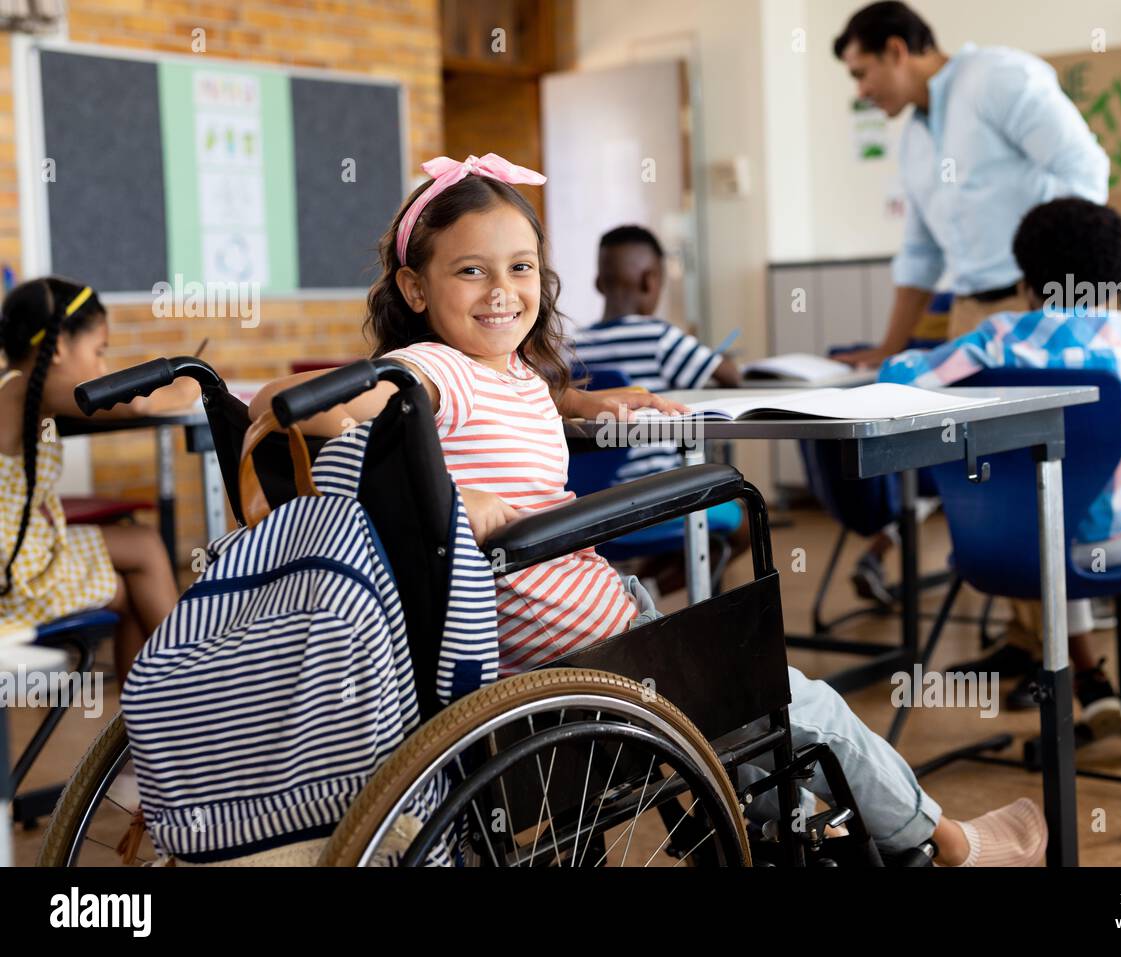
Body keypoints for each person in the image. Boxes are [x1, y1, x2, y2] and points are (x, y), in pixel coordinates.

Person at [252, 153, 1050, 865]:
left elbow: (496, 401)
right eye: (472, 273)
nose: (503, 291)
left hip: (569, 637)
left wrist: (580, 401)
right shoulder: (428, 368)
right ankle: (946, 842)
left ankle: (818, 829)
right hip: (587, 656)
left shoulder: (498, 374)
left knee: (738, 712)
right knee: (801, 700)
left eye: (521, 267)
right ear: (415, 288)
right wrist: (462, 497)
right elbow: (329, 405)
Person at [879, 198, 1121, 756]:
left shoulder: (997, 335)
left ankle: (1093, 685)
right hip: (1114, 544)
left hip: (1006, 547)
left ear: (1026, 278)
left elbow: (898, 375)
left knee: (1053, 516)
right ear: (1118, 280)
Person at [830, 1, 1108, 367]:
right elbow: (921, 256)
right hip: (967, 317)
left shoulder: (997, 77)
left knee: (1054, 421)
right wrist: (888, 350)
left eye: (861, 73)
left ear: (896, 50)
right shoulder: (914, 140)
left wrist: (1058, 296)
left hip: (1039, 302)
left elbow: (1084, 173)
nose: (861, 91)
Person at [0, 278, 198, 679]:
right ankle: (188, 682)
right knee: (140, 561)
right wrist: (193, 380)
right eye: (98, 352)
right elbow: (135, 404)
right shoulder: (22, 390)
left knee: (139, 554)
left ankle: (146, 716)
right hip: (13, 581)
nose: (103, 368)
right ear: (56, 348)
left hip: (26, 551)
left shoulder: (14, 386)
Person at [570, 224, 746, 596]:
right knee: (741, 523)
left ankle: (638, 593)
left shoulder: (572, 347)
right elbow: (731, 377)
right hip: (656, 497)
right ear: (651, 282)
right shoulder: (660, 337)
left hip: (588, 510)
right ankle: (648, 592)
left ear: (599, 283)